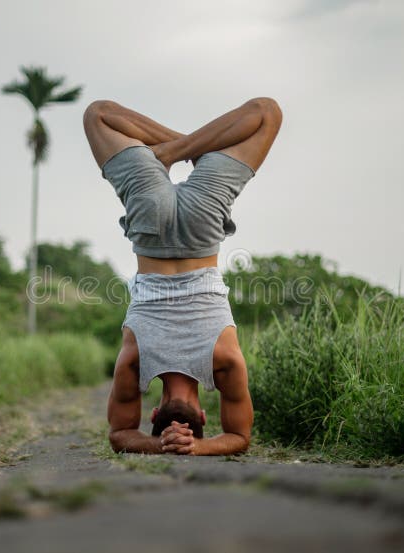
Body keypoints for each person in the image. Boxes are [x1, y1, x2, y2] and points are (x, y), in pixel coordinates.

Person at [83, 97, 282, 455]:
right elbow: (120, 433)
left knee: (267, 113)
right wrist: (168, 446)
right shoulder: (135, 361)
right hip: (159, 225)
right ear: (153, 411)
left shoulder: (224, 362)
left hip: (198, 227)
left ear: (205, 416)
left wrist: (186, 447)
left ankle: (180, 148)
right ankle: (178, 149)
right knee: (98, 115)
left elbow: (239, 437)